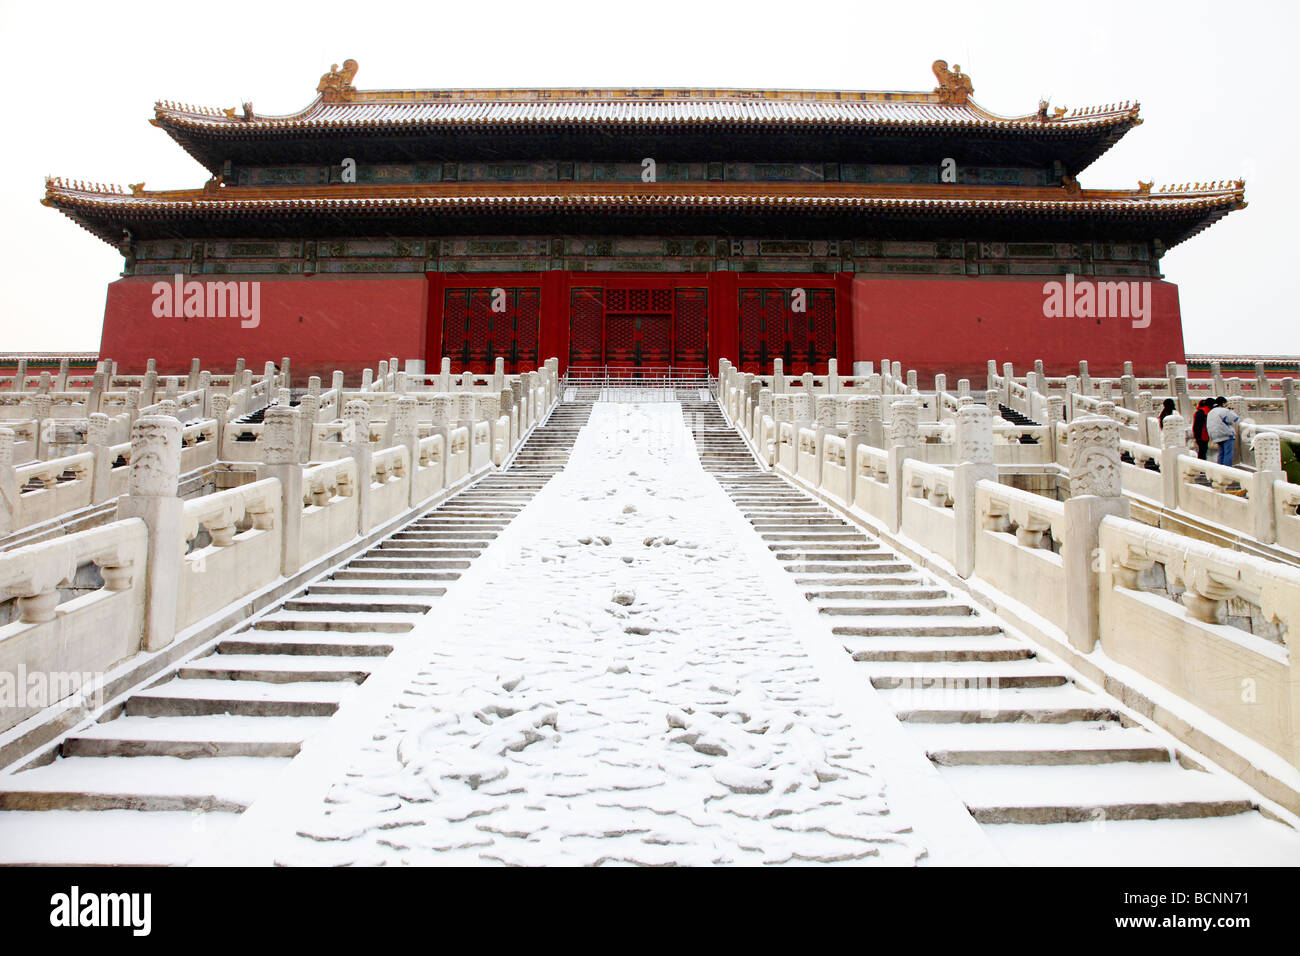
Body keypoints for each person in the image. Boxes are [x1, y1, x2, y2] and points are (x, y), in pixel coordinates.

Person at [1207, 396, 1240, 466]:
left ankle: (1220, 470)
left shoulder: (1211, 412)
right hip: (1226, 434)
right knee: (1228, 453)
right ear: (1223, 403)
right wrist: (1232, 411)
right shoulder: (1223, 411)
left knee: (1221, 454)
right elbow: (1235, 418)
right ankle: (1227, 469)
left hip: (1215, 435)